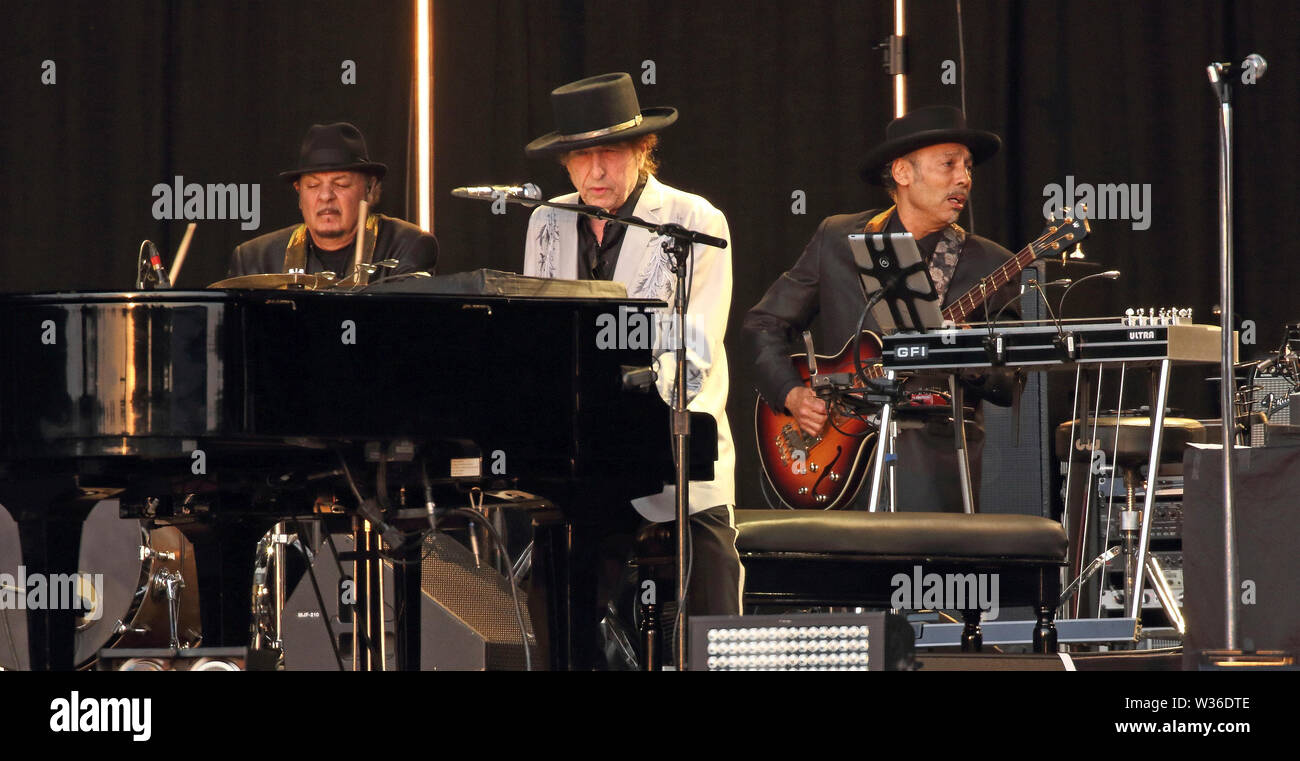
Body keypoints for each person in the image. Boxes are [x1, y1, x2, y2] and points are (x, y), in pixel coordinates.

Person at [522, 73, 740, 659]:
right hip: (582, 454)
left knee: (710, 581)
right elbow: (543, 339)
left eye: (610, 154)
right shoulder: (546, 220)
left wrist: (631, 408)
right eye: (582, 156)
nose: (596, 171)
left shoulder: (695, 221)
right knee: (550, 575)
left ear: (643, 152)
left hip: (673, 440)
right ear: (566, 163)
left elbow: (695, 347)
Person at [744, 105, 1019, 512]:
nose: (964, 178)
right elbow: (764, 322)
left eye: (967, 166)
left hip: (935, 473)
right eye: (948, 164)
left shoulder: (992, 264)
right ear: (903, 173)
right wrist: (791, 394)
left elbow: (1010, 382)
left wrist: (963, 352)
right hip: (839, 458)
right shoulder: (838, 238)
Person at [229, 122, 437, 281]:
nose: (326, 195)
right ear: (299, 193)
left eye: (341, 184)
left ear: (370, 188)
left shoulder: (407, 247)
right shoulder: (255, 258)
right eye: (313, 186)